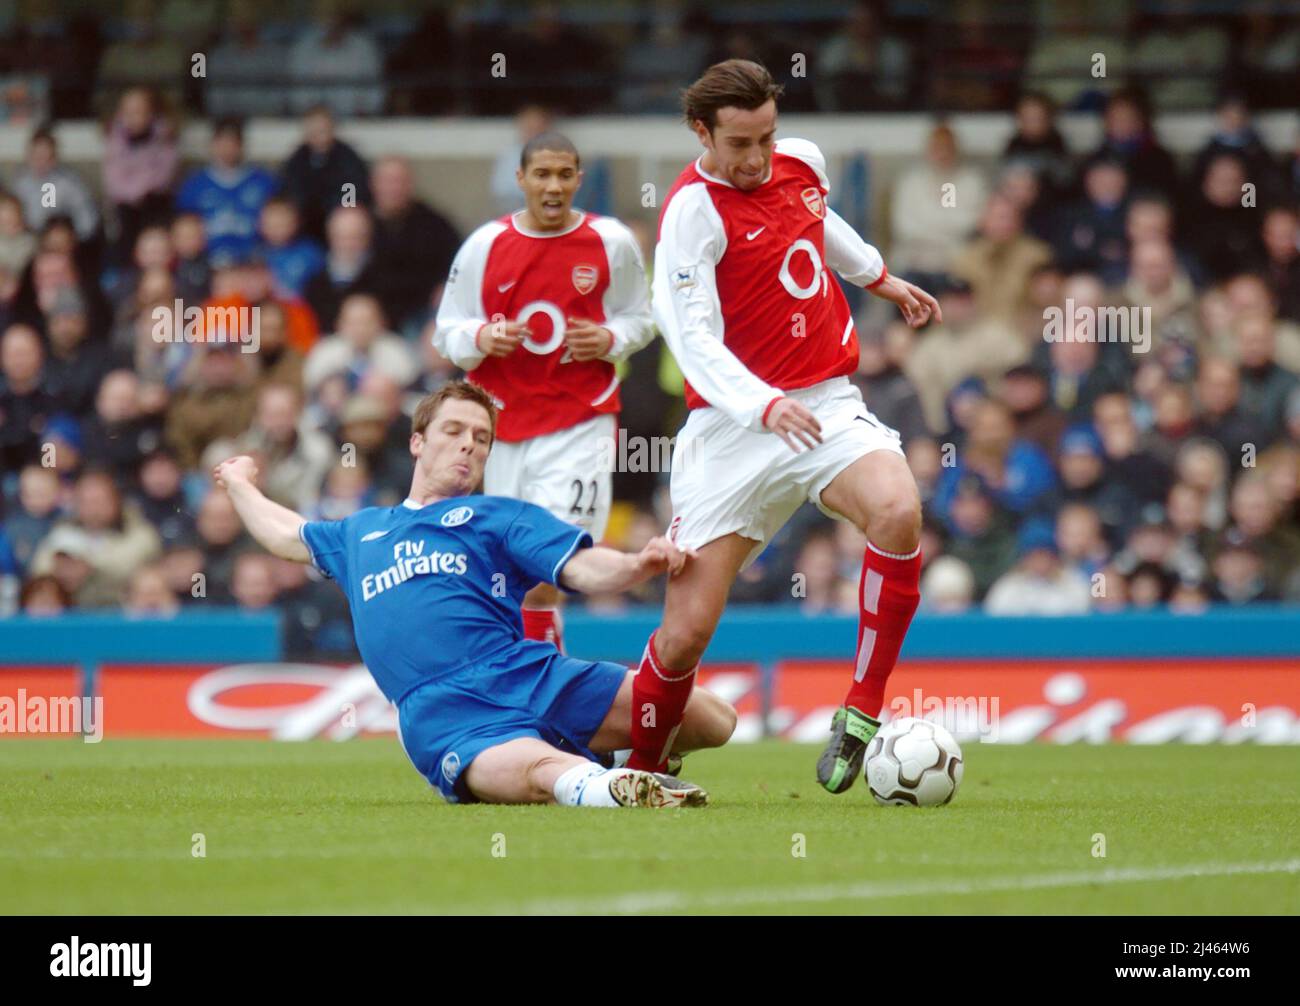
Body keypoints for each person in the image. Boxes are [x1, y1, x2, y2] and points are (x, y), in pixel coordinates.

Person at [630, 59, 941, 793]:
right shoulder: (690, 214)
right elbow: (692, 335)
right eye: (739, 143)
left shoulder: (800, 163)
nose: (757, 158)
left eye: (767, 137)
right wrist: (761, 403)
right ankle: (639, 769)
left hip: (825, 402)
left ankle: (861, 712)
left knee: (898, 510)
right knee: (685, 635)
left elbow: (816, 221)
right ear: (701, 131)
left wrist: (876, 276)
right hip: (734, 427)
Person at [213, 380, 733, 807]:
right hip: (442, 709)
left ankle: (611, 769)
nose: (469, 444)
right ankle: (607, 785)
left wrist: (635, 564)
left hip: (528, 673)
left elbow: (579, 567)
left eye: (482, 438)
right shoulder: (361, 532)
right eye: (455, 431)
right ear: (418, 442)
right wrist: (239, 484)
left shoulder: (497, 516)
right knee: (533, 770)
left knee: (715, 720)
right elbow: (286, 535)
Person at [432, 132, 654, 651]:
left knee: (548, 570)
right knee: (507, 573)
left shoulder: (611, 241)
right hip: (501, 428)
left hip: (581, 421)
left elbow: (641, 318)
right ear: (521, 179)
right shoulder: (486, 245)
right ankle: (519, 677)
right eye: (542, 174)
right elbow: (448, 329)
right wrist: (482, 336)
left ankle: (543, 686)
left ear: (579, 179)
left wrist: (610, 338)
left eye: (563, 175)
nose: (553, 186)